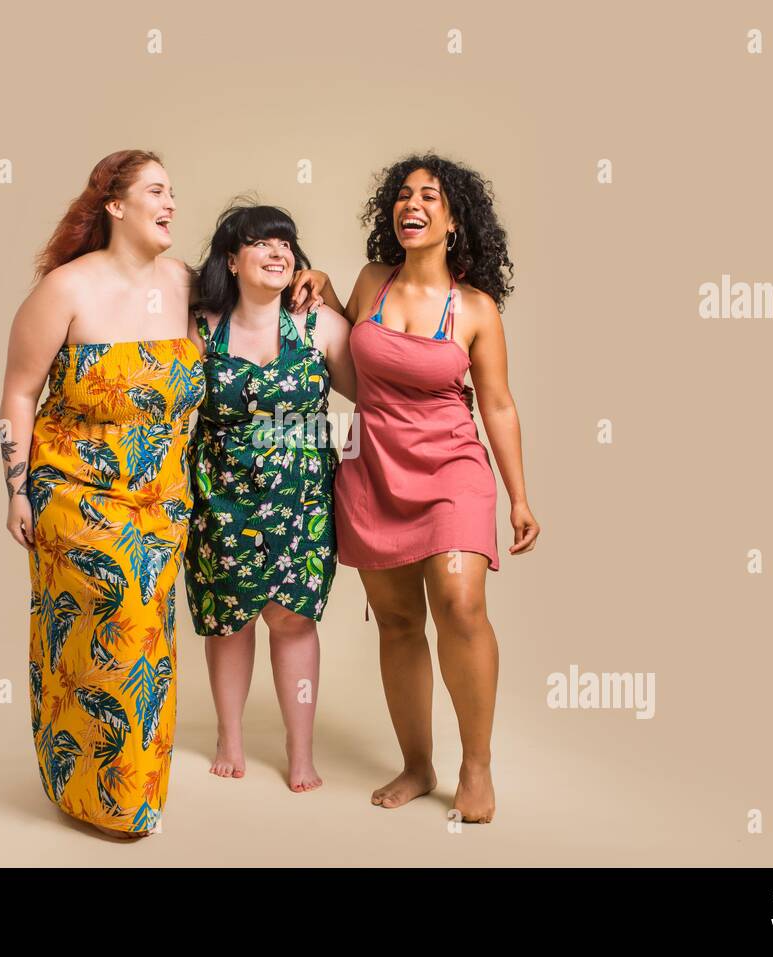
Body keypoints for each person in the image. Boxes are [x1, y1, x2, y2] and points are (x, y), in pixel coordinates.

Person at [288, 154, 540, 823]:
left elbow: (500, 406)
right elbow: (344, 354)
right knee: (399, 622)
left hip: (452, 467)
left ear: (455, 220)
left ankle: (476, 765)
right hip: (372, 465)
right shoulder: (372, 282)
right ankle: (418, 763)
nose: (412, 204)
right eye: (403, 195)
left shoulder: (477, 309)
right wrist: (320, 284)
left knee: (459, 603)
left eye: (430, 196)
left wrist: (518, 496)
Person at [0, 149, 205, 839]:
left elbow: (263, 286)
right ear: (115, 205)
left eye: (173, 191)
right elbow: (20, 393)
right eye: (156, 190)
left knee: (149, 644)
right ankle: (96, 793)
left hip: (161, 497)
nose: (171, 201)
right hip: (76, 493)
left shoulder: (186, 282)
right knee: (108, 627)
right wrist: (17, 490)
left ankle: (130, 797)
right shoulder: (65, 289)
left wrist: (314, 283)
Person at [183, 202, 356, 792]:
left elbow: (375, 394)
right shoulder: (199, 326)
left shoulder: (319, 325)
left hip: (302, 498)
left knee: (292, 619)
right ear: (231, 260)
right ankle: (229, 738)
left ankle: (299, 751)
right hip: (220, 496)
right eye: (261, 242)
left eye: (286, 242)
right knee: (228, 622)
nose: (278, 251)